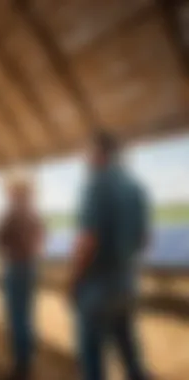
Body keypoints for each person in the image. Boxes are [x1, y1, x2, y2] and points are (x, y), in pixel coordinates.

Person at [69, 130, 150, 380]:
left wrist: (74, 279)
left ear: (99, 153)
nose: (85, 158)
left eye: (87, 152)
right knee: (127, 347)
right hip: (126, 281)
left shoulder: (95, 184)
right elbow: (145, 239)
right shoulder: (136, 187)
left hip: (97, 286)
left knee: (92, 354)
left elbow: (88, 240)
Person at [0, 169, 45, 380]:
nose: (7, 193)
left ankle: (20, 366)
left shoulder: (10, 212)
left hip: (14, 268)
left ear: (15, 192)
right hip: (30, 268)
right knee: (27, 315)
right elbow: (42, 236)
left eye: (9, 189)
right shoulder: (34, 212)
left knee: (15, 317)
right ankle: (27, 357)